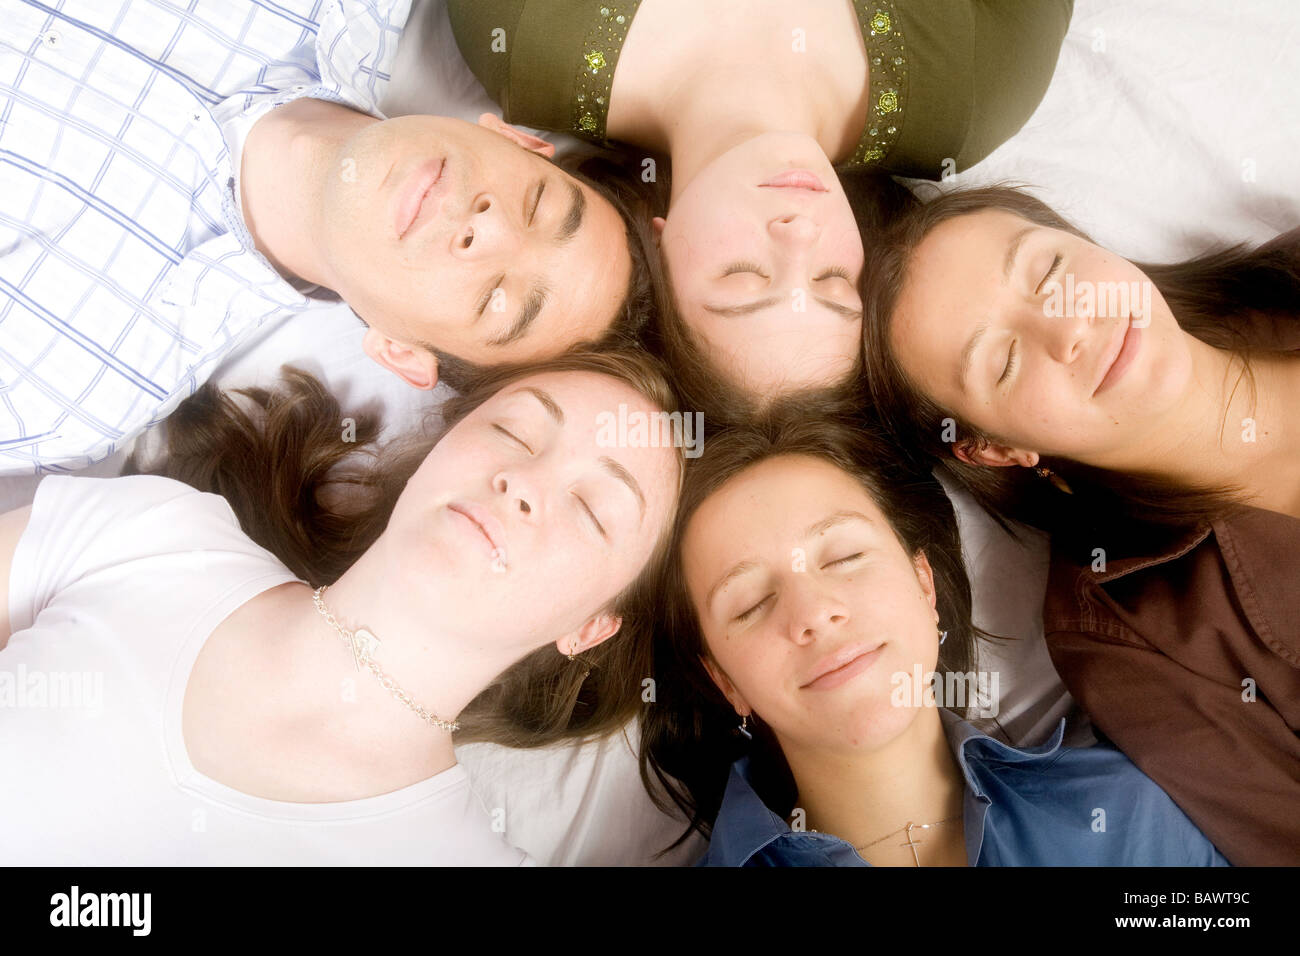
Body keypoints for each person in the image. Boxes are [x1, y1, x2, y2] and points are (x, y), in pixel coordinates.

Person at [0, 350, 683, 864]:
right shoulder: (154, 533)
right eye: (516, 432)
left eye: (595, 509)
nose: (524, 484)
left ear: (588, 628)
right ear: (439, 446)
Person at [0, 0, 648, 476]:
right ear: (516, 139)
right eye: (536, 203)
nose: (489, 227)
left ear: (400, 353)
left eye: (497, 301)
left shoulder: (69, 385)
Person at [858, 185, 1300, 865]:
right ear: (997, 449)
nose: (1069, 329)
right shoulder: (1125, 634)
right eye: (1003, 360)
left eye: (1049, 271)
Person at [639, 411, 1228, 865]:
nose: (813, 613)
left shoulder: (1122, 814)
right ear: (725, 682)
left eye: (844, 556)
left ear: (925, 587)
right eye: (751, 604)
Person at [440, 0, 1073, 410]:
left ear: (657, 247)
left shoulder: (519, 36)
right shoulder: (971, 91)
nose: (799, 234)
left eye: (744, 276)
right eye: (833, 280)